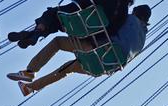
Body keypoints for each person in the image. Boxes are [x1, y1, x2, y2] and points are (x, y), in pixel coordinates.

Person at [11, 5, 151, 95]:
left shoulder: (130, 19)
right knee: (66, 69)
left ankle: (30, 71)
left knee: (58, 42)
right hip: (103, 66)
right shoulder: (142, 39)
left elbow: (109, 27)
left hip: (96, 49)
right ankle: (31, 88)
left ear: (136, 12)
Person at [7, 0, 140, 48]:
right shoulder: (123, 12)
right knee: (59, 23)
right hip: (86, 33)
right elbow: (112, 30)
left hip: (73, 14)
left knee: (53, 14)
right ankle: (35, 35)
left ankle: (37, 32)